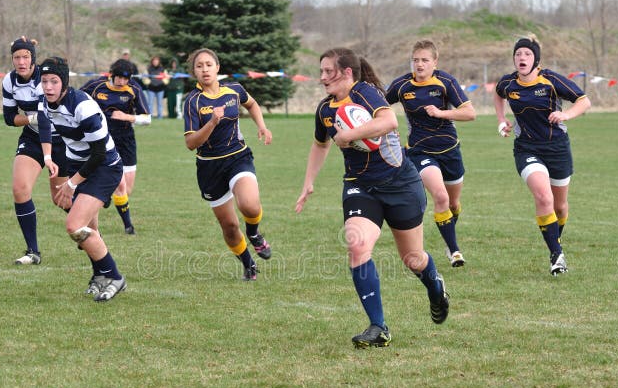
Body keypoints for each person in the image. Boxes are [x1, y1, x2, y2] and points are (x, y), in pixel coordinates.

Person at [295, 47, 449, 349]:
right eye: (321, 71)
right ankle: (378, 326)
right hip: (360, 186)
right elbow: (320, 145)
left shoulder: (364, 92)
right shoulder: (325, 109)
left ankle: (434, 284)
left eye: (329, 71)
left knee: (413, 259)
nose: (322, 77)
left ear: (348, 73)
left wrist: (351, 134)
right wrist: (309, 182)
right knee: (357, 244)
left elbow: (389, 121)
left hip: (400, 183)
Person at [494, 34, 591, 276]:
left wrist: (566, 115)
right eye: (518, 54)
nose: (521, 58)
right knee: (543, 198)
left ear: (535, 59)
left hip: (557, 148)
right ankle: (556, 256)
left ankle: (554, 243)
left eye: (526, 54)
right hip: (526, 148)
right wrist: (501, 119)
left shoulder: (551, 80)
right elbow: (498, 94)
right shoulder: (508, 83)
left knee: (559, 206)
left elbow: (584, 100)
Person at [38, 57, 127, 301]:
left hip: (104, 166)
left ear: (64, 83)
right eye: (44, 81)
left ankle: (115, 276)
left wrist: (71, 182)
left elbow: (99, 153)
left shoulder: (82, 107)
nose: (48, 87)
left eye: (54, 81)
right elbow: (45, 125)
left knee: (74, 225)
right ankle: (100, 274)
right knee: (90, 228)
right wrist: (47, 156)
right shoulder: (44, 101)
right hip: (78, 163)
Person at [182, 48, 272, 281]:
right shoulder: (193, 101)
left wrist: (261, 125)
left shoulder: (234, 90)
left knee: (250, 205)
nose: (204, 69)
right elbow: (191, 143)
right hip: (210, 167)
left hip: (237, 157)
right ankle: (248, 264)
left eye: (208, 64)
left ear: (217, 67)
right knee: (230, 226)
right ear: (194, 72)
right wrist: (212, 122)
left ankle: (254, 233)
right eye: (199, 66)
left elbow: (252, 105)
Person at [386, 40, 475, 268]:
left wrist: (441, 113)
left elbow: (469, 113)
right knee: (441, 196)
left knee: (453, 203)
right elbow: (379, 106)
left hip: (450, 150)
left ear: (435, 62)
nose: (419, 64)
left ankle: (449, 238)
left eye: (425, 60)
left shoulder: (445, 82)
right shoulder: (402, 86)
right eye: (415, 60)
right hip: (419, 151)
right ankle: (455, 251)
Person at [1, 36, 68, 265]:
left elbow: (47, 120)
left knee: (62, 200)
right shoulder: (9, 81)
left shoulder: (45, 79)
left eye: (26, 56)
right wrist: (30, 118)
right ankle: (33, 251)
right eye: (16, 57)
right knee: (20, 188)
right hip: (31, 138)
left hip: (60, 139)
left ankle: (90, 232)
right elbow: (10, 118)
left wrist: (48, 155)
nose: (21, 61)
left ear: (33, 59)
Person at [80, 59, 151, 235]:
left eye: (125, 79)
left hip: (126, 140)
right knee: (119, 184)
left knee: (126, 189)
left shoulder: (133, 89)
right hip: (101, 138)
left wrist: (127, 117)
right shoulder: (96, 85)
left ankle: (104, 195)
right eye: (118, 78)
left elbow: (147, 118)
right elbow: (76, 99)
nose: (121, 82)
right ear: (112, 74)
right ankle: (129, 227)